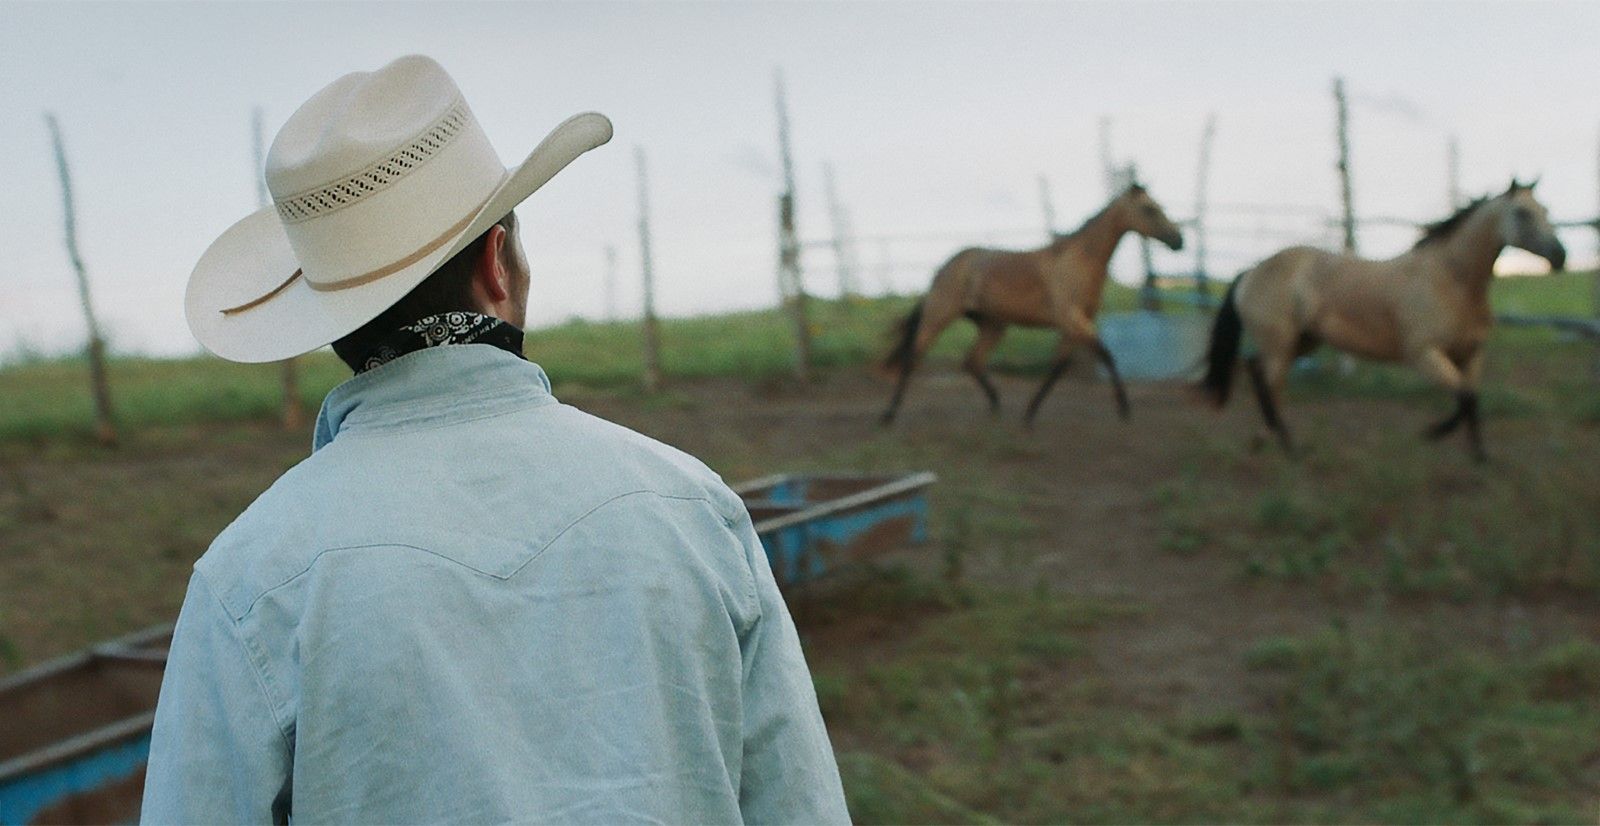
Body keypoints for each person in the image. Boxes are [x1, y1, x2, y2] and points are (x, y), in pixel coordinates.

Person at [141, 55, 849, 825]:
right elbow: (798, 804)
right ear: (497, 262)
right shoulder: (692, 507)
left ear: (330, 319)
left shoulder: (251, 577)